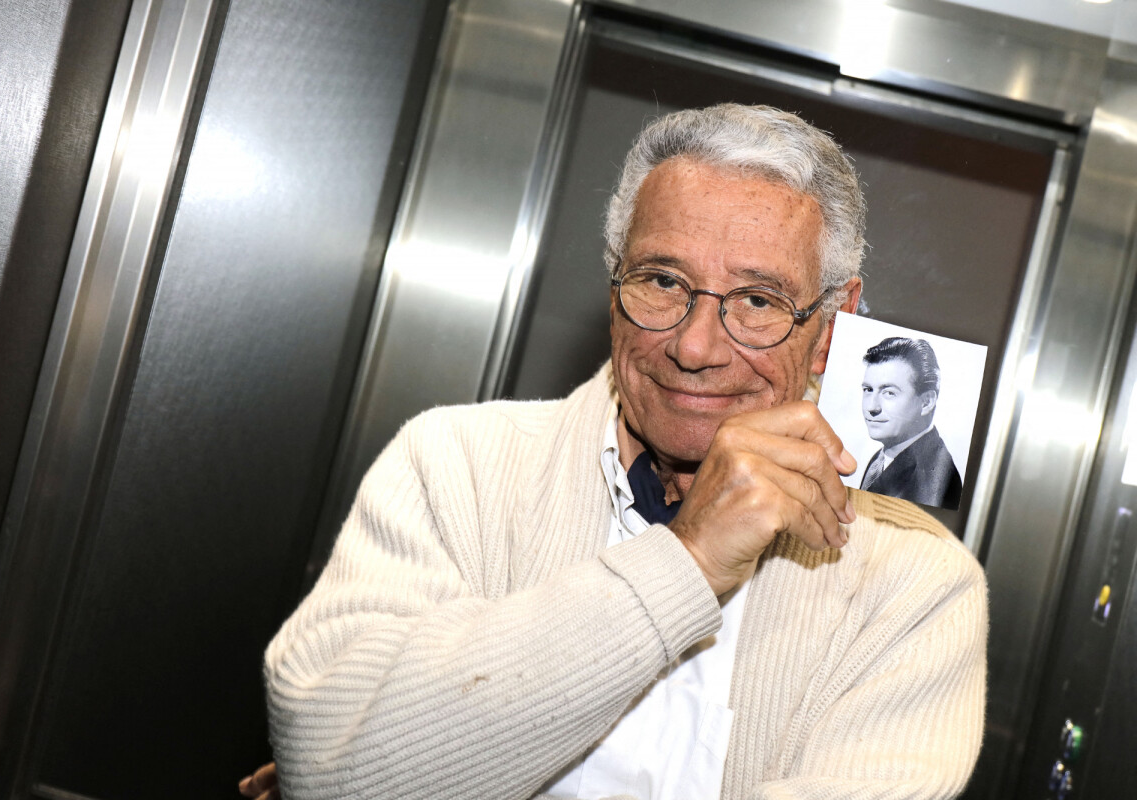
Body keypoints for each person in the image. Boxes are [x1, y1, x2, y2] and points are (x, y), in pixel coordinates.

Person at [248, 104, 987, 800]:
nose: (695, 348)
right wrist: (688, 559)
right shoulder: (456, 465)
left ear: (831, 327)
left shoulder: (916, 586)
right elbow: (335, 763)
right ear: (612, 285)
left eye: (758, 301)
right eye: (663, 281)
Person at [859, 337, 963, 510]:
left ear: (926, 402)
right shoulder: (881, 458)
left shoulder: (934, 484)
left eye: (889, 393)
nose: (871, 407)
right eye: (868, 390)